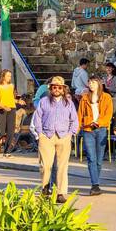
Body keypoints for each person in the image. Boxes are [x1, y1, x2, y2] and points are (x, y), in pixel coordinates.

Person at [31, 75, 80, 203]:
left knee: (62, 166)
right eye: (54, 87)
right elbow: (37, 119)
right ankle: (45, 188)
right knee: (45, 166)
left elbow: (74, 120)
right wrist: (40, 134)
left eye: (59, 87)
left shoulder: (68, 103)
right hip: (47, 136)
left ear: (63, 89)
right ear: (50, 88)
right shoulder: (43, 101)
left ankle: (61, 192)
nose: (57, 89)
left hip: (63, 136)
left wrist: (71, 133)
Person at [77, 75, 113, 196]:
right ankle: (95, 185)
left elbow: (108, 114)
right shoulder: (84, 98)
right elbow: (80, 115)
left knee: (99, 159)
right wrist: (80, 126)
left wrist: (99, 122)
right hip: (88, 130)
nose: (91, 84)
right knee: (91, 158)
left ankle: (95, 182)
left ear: (99, 84)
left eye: (93, 82)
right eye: (89, 82)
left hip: (101, 129)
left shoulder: (106, 97)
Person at [0, 69, 17, 156]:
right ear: (3, 76)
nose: (9, 78)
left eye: (10, 76)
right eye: (8, 76)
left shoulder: (11, 86)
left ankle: (7, 151)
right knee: (0, 131)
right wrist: (4, 107)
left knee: (11, 131)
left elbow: (10, 98)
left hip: (11, 109)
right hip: (1, 109)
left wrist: (17, 101)